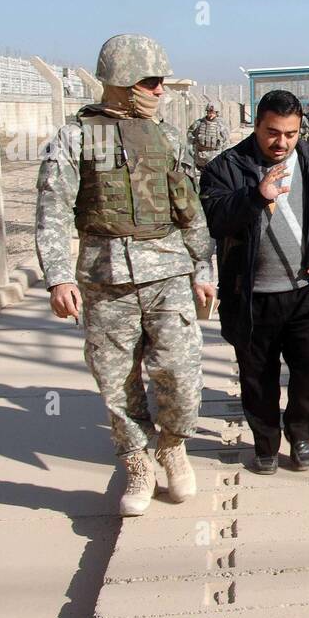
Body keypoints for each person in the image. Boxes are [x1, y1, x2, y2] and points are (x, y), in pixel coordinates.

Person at [35, 33, 215, 516]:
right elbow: (52, 209)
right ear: (119, 82)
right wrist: (58, 276)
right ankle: (136, 462)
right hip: (104, 277)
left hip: (168, 273)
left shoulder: (168, 137)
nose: (160, 91)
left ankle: (173, 445)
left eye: (160, 83)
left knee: (181, 373)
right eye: (150, 82)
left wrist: (203, 267)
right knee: (117, 380)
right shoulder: (74, 138)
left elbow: (189, 210)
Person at [199, 90, 309, 473]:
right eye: (272, 132)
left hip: (306, 295)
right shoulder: (227, 167)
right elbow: (213, 220)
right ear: (257, 124)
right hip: (251, 297)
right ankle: (265, 444)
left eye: (290, 133)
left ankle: (300, 434)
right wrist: (255, 196)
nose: (281, 142)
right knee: (257, 378)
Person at [188, 101, 230, 169]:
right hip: (200, 155)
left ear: (216, 113)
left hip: (215, 155)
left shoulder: (221, 124)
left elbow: (226, 140)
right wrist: (194, 141)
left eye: (213, 112)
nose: (210, 114)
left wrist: (223, 155)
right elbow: (189, 133)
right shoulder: (199, 123)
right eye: (209, 112)